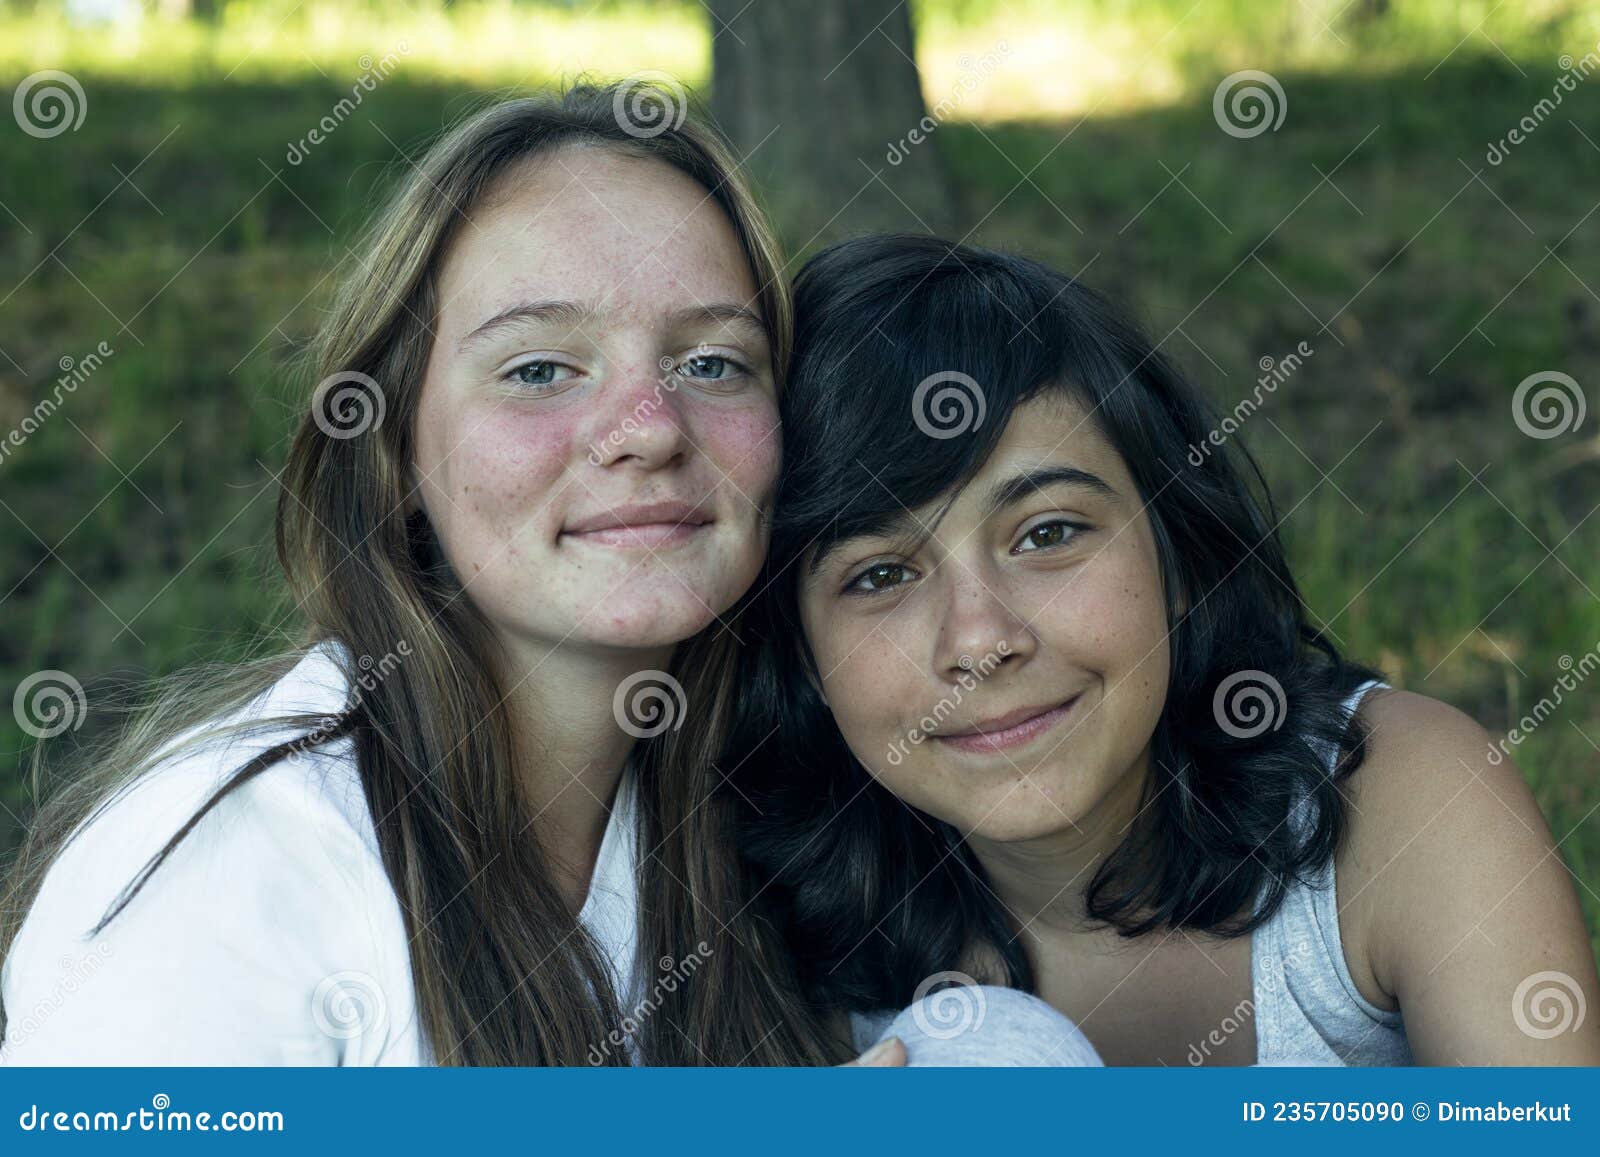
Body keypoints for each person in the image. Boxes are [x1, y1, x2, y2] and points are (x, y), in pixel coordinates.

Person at [1, 82, 816, 1066]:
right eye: (539, 369)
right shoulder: (237, 874)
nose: (648, 426)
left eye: (714, 362)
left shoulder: (761, 827)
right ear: (394, 449)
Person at [732, 233, 1600, 1066]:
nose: (982, 640)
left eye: (1048, 532)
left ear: (1177, 555)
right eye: (881, 575)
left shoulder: (1398, 799)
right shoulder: (755, 925)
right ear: (805, 656)